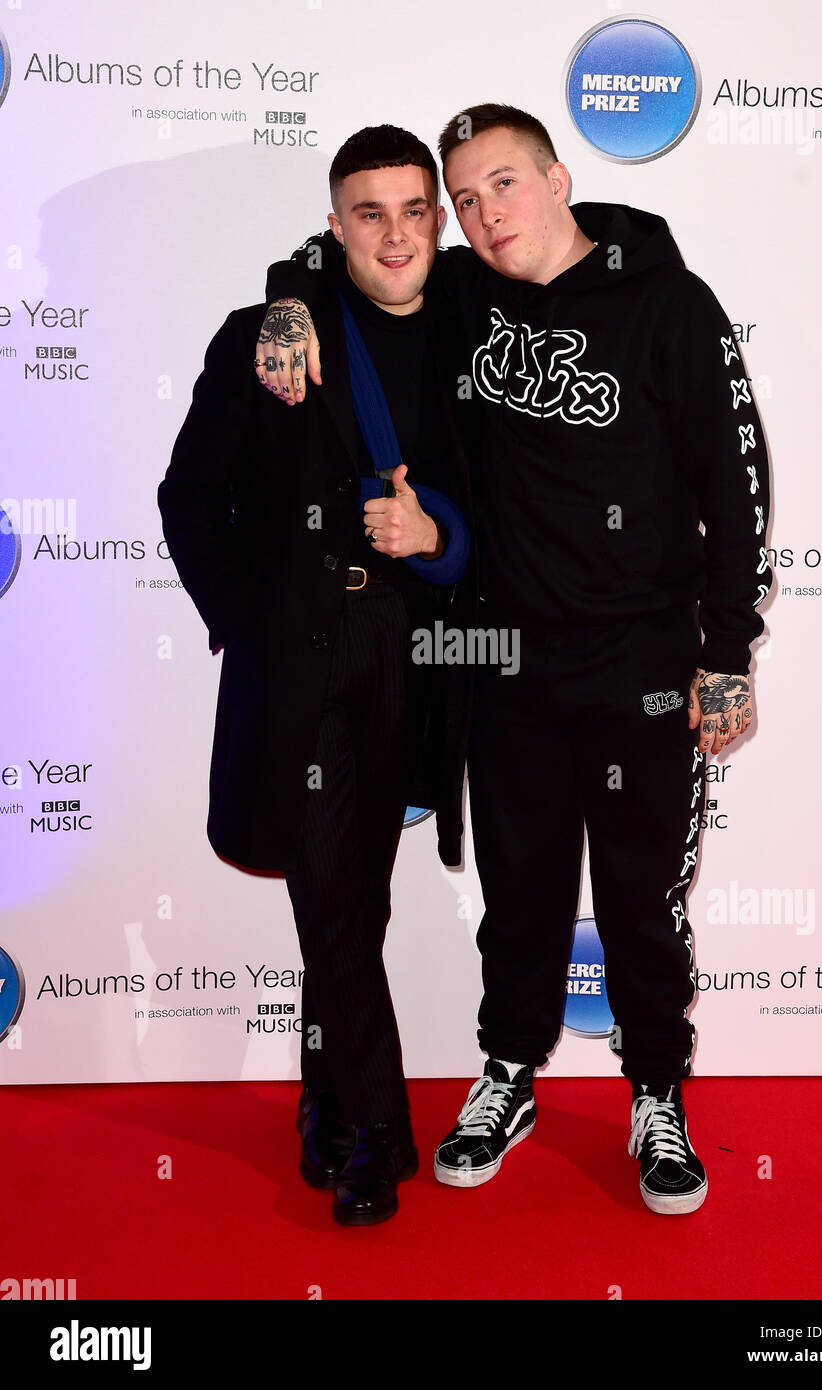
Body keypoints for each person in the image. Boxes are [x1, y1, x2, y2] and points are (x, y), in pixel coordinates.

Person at [254, 103, 772, 1215]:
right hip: (501, 661)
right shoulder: (463, 295)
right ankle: (508, 1074)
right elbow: (343, 256)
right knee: (520, 895)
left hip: (640, 656)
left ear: (556, 176)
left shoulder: (667, 303)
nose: (486, 214)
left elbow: (735, 486)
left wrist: (722, 652)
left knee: (641, 900)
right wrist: (285, 305)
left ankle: (654, 1090)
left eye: (505, 184)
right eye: (467, 196)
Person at [158, 125, 473, 1227]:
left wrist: (430, 535)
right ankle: (377, 1133)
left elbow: (495, 515)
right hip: (298, 657)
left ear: (437, 216)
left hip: (415, 658)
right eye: (367, 213)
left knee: (354, 899)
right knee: (334, 891)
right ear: (333, 224)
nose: (394, 234)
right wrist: (246, 618)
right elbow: (187, 498)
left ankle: (320, 1099)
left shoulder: (476, 339)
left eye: (412, 209)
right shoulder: (267, 335)